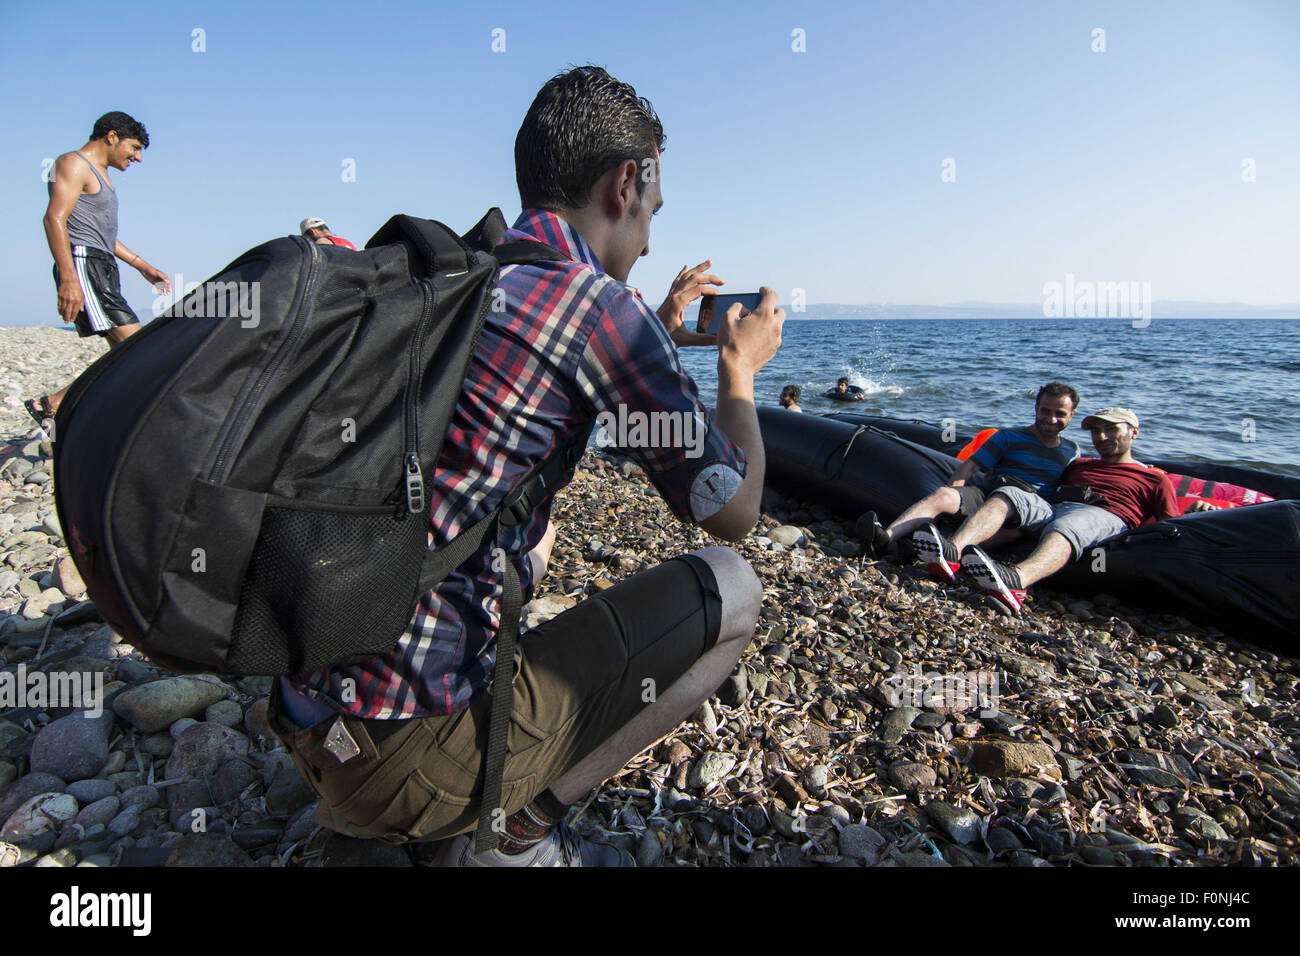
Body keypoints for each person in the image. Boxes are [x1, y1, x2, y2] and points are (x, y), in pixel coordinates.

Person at [268, 66, 783, 867]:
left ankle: (381, 801)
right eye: (652, 210)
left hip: (304, 715)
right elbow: (733, 510)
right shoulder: (599, 310)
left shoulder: (457, 274)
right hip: (407, 765)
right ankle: (517, 829)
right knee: (736, 588)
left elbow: (536, 376)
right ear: (625, 183)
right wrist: (738, 371)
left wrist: (655, 331)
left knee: (529, 534)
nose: (648, 237)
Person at [941, 407, 1188, 613]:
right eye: (1096, 431)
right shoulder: (1078, 464)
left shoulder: (1153, 479)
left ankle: (1017, 580)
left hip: (1101, 516)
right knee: (1009, 494)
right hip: (1055, 507)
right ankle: (950, 550)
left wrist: (1198, 509)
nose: (1101, 437)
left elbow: (1169, 528)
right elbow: (1042, 485)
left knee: (1070, 521)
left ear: (1134, 432)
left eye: (1111, 429)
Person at [26, 112, 172, 428]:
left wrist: (142, 266)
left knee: (126, 354)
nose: (138, 157)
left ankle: (52, 405)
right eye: (134, 148)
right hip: (82, 263)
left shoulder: (102, 176)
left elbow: (103, 233)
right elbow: (54, 219)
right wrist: (68, 278)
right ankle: (57, 405)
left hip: (100, 264)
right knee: (138, 347)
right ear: (111, 136)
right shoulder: (73, 163)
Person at [858, 382, 1081, 577]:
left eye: (1060, 413)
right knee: (945, 495)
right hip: (993, 492)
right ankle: (885, 539)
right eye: (1045, 411)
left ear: (1072, 414)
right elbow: (970, 466)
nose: (1051, 419)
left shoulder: (1072, 451)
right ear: (1036, 409)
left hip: (1030, 509)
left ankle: (945, 552)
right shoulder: (1008, 436)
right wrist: (954, 501)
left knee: (1009, 521)